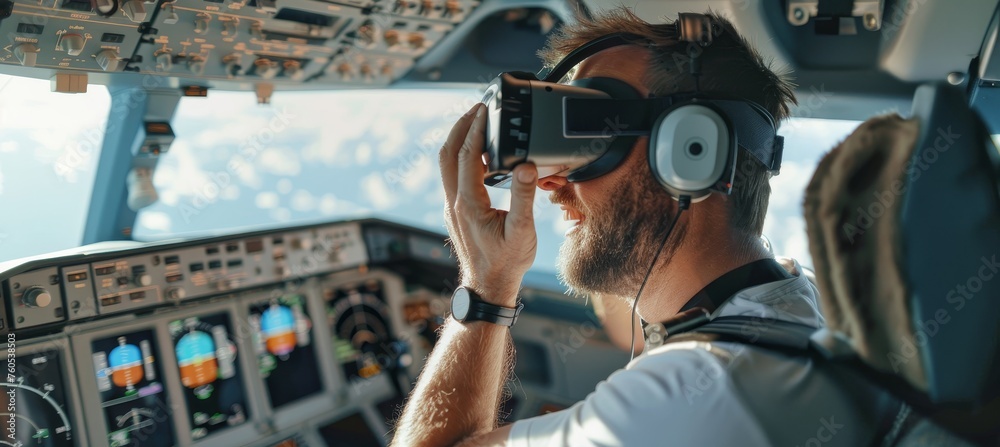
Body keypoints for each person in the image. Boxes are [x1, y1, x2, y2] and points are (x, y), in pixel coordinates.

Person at [392, 8, 882, 446]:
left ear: (693, 151)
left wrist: (486, 284)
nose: (552, 183)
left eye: (590, 137)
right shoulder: (807, 303)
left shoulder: (692, 393)